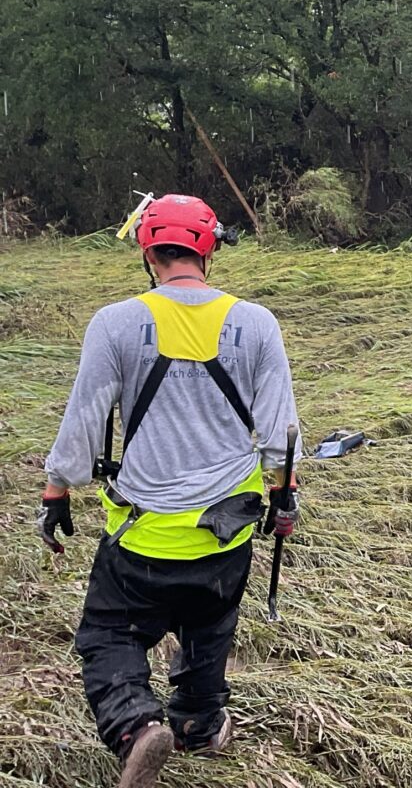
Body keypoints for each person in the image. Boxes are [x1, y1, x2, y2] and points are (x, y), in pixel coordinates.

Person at [36, 194, 302, 788]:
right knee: (210, 626)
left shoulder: (116, 323)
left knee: (108, 635)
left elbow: (83, 423)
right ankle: (199, 725)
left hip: (142, 536)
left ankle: (135, 725)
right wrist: (285, 498)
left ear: (148, 250)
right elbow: (282, 435)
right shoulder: (256, 323)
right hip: (226, 532)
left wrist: (57, 489)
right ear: (209, 249)